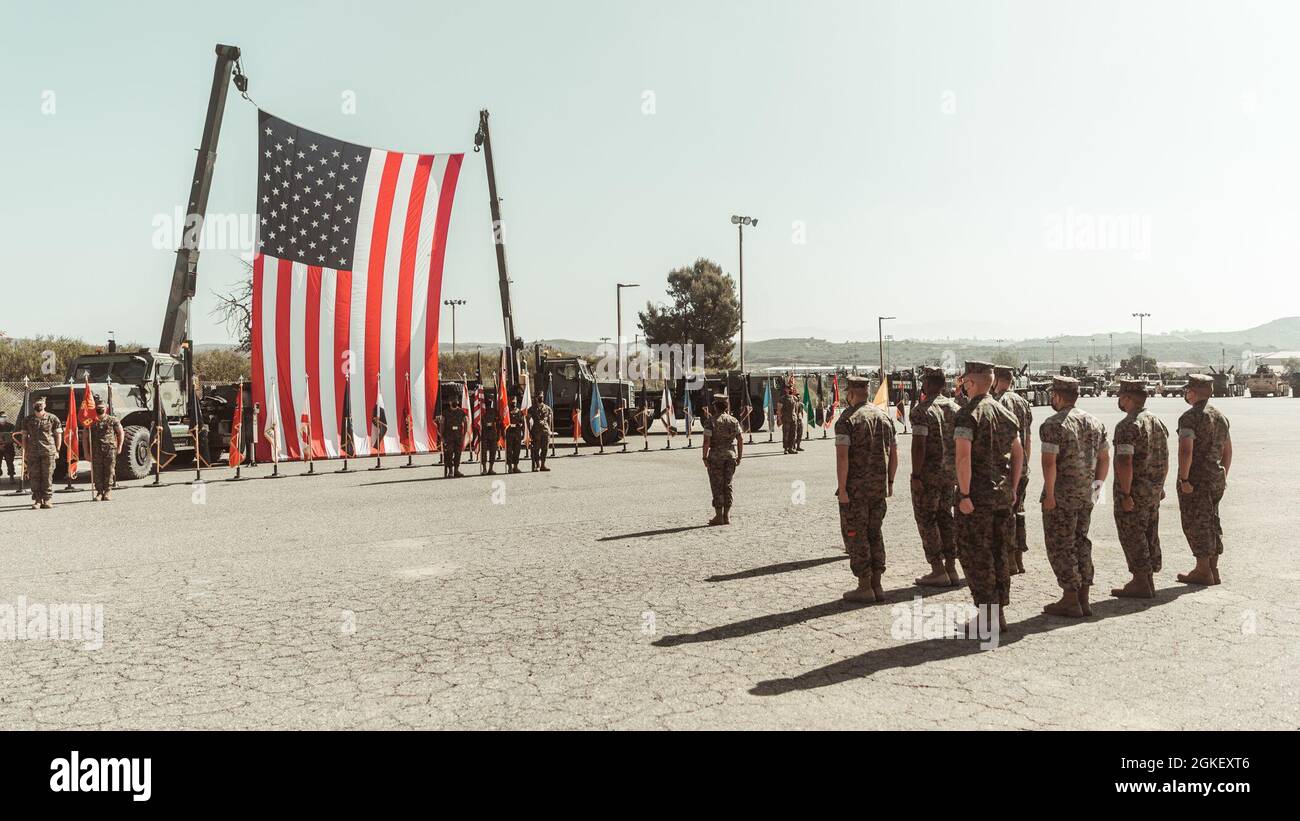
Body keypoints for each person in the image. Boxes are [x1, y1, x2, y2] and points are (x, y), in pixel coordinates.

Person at [953, 361, 1023, 630]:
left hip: (978, 499)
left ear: (970, 383)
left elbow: (963, 458)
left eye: (964, 382)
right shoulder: (1006, 413)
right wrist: (1014, 487)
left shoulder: (968, 414)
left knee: (976, 555)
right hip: (1003, 497)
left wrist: (965, 494)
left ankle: (987, 616)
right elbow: (1019, 454)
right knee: (999, 554)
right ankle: (998, 613)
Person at [1039, 375, 1110, 618]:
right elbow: (1104, 458)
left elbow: (1049, 463)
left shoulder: (1053, 424)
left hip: (1061, 496)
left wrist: (1049, 494)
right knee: (1081, 541)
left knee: (1061, 545)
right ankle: (1084, 598)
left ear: (1057, 396)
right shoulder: (1095, 422)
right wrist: (1097, 490)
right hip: (1085, 494)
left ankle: (1070, 598)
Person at [836, 375, 898, 603]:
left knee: (855, 534)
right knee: (875, 533)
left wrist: (842, 489)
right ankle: (877, 585)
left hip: (855, 490)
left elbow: (842, 457)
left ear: (851, 393)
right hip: (878, 489)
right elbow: (894, 454)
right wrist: (890, 482)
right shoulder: (884, 417)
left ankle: (864, 585)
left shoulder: (847, 419)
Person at [1111, 378, 1169, 598]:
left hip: (1134, 492)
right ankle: (1148, 578)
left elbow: (1124, 462)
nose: (1119, 399)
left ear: (1127, 398)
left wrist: (1125, 494)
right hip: (1152, 491)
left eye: (1120, 396)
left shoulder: (1128, 426)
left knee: (1133, 534)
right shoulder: (1156, 421)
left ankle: (1140, 581)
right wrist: (1160, 485)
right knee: (1149, 532)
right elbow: (1164, 457)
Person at [1175, 373, 1231, 586]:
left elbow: (1186, 450)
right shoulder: (1220, 416)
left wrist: (1184, 478)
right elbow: (1228, 450)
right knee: (1212, 521)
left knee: (1196, 523)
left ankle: (1202, 570)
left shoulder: (1190, 417)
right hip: (1216, 477)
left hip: (1197, 479)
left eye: (1188, 390)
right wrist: (1223, 473)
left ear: (1193, 392)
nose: (1186, 394)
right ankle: (1213, 569)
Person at [911, 368, 959, 587]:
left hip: (929, 476)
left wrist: (916, 474)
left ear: (928, 384)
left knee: (927, 520)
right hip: (950, 475)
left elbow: (919, 445)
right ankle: (951, 567)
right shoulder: (956, 409)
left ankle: (937, 569)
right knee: (946, 519)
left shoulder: (922, 411)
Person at [993, 366, 1034, 574]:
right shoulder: (1023, 402)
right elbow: (1028, 439)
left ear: (997, 379)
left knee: (1006, 514)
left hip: (1009, 468)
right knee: (1019, 511)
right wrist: (1026, 463)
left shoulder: (1000, 402)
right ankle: (1018, 559)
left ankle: (1009, 559)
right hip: (1023, 466)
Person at [702, 394, 742, 525]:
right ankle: (727, 516)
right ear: (726, 406)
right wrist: (739, 456)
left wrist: (704, 456)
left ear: (715, 406)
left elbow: (706, 441)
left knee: (717, 485)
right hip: (730, 456)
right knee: (728, 484)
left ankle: (719, 516)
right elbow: (740, 439)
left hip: (715, 457)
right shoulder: (733, 420)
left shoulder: (711, 421)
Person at [21, 398, 63, 509]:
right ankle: (37, 500)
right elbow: (24, 436)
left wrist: (57, 450)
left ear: (44, 405)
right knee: (34, 476)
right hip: (33, 452)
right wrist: (25, 451)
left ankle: (47, 499)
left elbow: (58, 434)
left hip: (48, 451)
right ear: (33, 405)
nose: (39, 405)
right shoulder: (27, 420)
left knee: (47, 475)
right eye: (37, 404)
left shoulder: (52, 418)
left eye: (41, 404)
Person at [88, 397, 125, 500]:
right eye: (98, 407)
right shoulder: (91, 421)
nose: (100, 408)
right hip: (96, 450)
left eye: (102, 407)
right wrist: (87, 452)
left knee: (109, 470)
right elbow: (86, 436)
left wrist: (120, 446)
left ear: (106, 408)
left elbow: (120, 432)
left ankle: (108, 491)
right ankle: (99, 492)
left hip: (110, 449)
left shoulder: (112, 420)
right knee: (97, 471)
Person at [441, 396, 467, 478]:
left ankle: (456, 470)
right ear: (449, 402)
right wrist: (441, 436)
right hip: (448, 437)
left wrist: (464, 434)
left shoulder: (461, 412)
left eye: (456, 400)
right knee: (449, 453)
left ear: (458, 402)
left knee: (458, 453)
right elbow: (442, 424)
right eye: (453, 400)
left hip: (458, 436)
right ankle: (450, 470)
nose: (455, 402)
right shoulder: (445, 413)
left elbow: (466, 422)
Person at [528, 392, 553, 471]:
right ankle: (537, 465)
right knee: (536, 449)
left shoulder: (547, 408)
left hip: (545, 431)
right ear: (536, 398)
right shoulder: (531, 409)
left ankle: (543, 464)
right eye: (539, 397)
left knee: (545, 448)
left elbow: (550, 419)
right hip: (536, 431)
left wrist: (549, 428)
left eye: (542, 396)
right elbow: (528, 420)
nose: (541, 398)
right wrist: (529, 432)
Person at [480, 398, 500, 474]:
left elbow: (498, 424)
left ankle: (490, 468)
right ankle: (484, 468)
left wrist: (498, 434)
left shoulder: (495, 412)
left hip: (493, 434)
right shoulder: (482, 411)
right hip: (484, 434)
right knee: (484, 452)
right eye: (487, 403)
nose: (489, 404)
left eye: (490, 403)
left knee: (493, 452)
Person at [505, 398, 525, 474]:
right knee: (509, 451)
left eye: (515, 402)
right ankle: (510, 467)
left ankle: (515, 466)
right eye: (512, 402)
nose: (514, 403)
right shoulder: (507, 411)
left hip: (517, 432)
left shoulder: (519, 411)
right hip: (509, 432)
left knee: (517, 450)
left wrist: (523, 432)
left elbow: (522, 422)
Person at [780, 386, 798, 454]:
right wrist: (779, 418)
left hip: (793, 418)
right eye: (789, 389)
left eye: (791, 389)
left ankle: (791, 448)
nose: (790, 390)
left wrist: (796, 417)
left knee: (793, 434)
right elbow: (779, 409)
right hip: (786, 418)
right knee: (786, 434)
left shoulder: (794, 398)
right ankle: (785, 449)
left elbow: (796, 408)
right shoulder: (782, 398)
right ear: (786, 389)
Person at [0, 409, 15, 482]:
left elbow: (13, 436)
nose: (3, 418)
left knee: (10, 462)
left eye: (4, 416)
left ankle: (11, 476)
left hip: (8, 447)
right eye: (1, 416)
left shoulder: (11, 426)